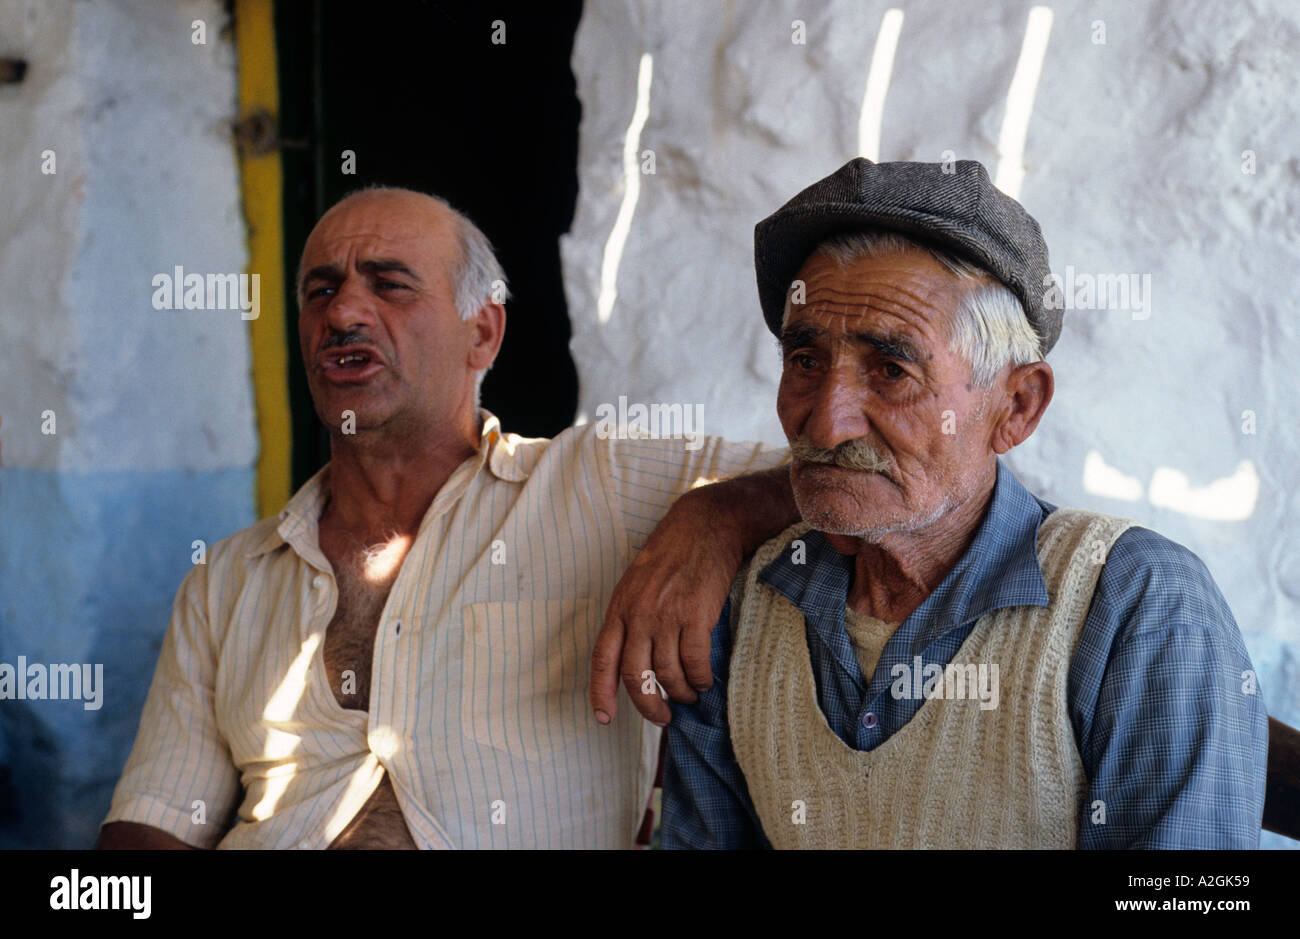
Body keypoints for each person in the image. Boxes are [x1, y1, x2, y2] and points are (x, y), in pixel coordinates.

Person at [97, 186, 795, 849]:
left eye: (389, 284)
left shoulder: (598, 485)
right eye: (321, 290)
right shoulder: (226, 581)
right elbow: (154, 821)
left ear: (482, 333)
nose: (343, 314)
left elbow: (856, 476)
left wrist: (718, 512)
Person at [656, 157, 1269, 849]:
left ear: (1016, 405)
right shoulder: (742, 604)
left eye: (891, 370)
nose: (827, 423)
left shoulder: (1137, 605)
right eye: (805, 361)